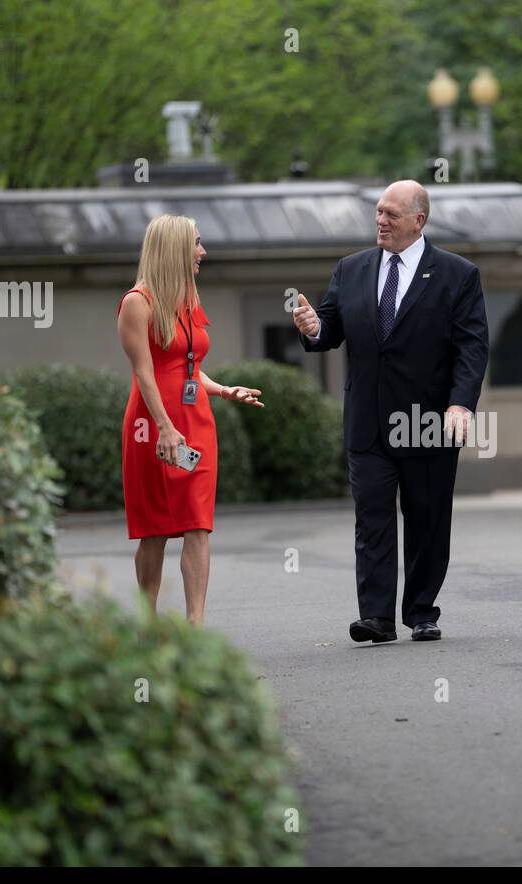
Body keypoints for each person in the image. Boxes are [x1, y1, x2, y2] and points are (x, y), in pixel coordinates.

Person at [293, 180, 489, 644]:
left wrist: (461, 403)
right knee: (373, 517)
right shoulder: (352, 269)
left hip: (427, 420)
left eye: (391, 215)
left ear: (418, 221)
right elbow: (329, 329)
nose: (380, 221)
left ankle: (421, 610)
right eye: (378, 212)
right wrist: (312, 328)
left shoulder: (457, 275)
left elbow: (472, 346)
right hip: (368, 420)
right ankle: (376, 617)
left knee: (427, 517)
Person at [117, 214, 263, 624]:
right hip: (154, 428)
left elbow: (189, 366)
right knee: (155, 529)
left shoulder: (187, 300)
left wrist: (223, 389)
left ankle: (194, 624)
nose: (203, 252)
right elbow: (145, 372)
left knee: (198, 524)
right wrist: (165, 427)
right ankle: (148, 623)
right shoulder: (136, 302)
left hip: (196, 424)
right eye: (196, 243)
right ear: (175, 249)